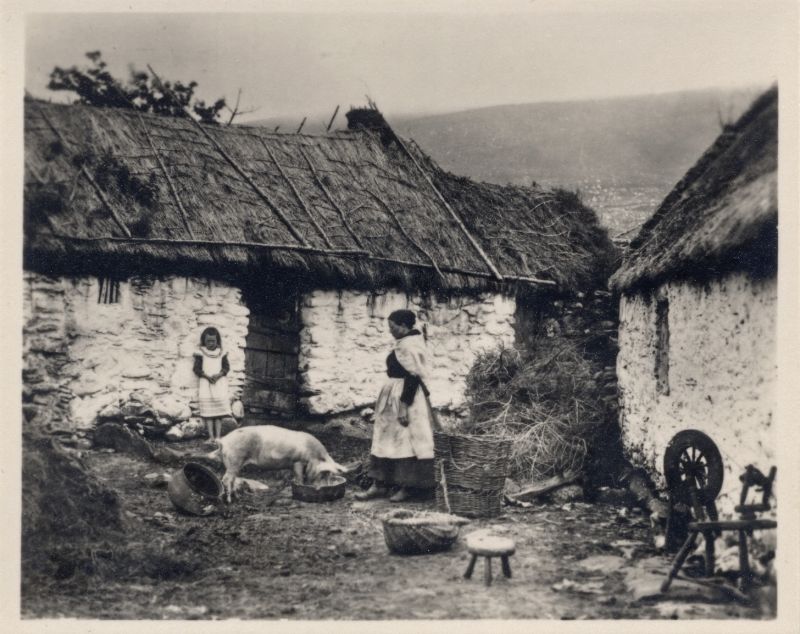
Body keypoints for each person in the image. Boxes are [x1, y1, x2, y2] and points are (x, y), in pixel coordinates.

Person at [356, 309, 437, 502]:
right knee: (384, 439)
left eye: (393, 327)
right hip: (392, 394)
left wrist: (403, 406)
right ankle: (379, 484)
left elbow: (413, 377)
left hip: (405, 398)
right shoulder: (404, 342)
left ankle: (407, 486)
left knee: (405, 441)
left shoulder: (410, 345)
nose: (390, 331)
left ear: (404, 326)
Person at [193, 327, 232, 444]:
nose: (210, 344)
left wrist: (219, 375)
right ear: (204, 341)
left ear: (217, 341)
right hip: (206, 384)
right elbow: (196, 369)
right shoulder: (201, 353)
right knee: (209, 414)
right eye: (208, 341)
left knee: (218, 414)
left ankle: (218, 437)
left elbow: (226, 368)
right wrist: (206, 376)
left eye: (213, 341)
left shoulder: (221, 353)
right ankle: (210, 437)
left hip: (219, 385)